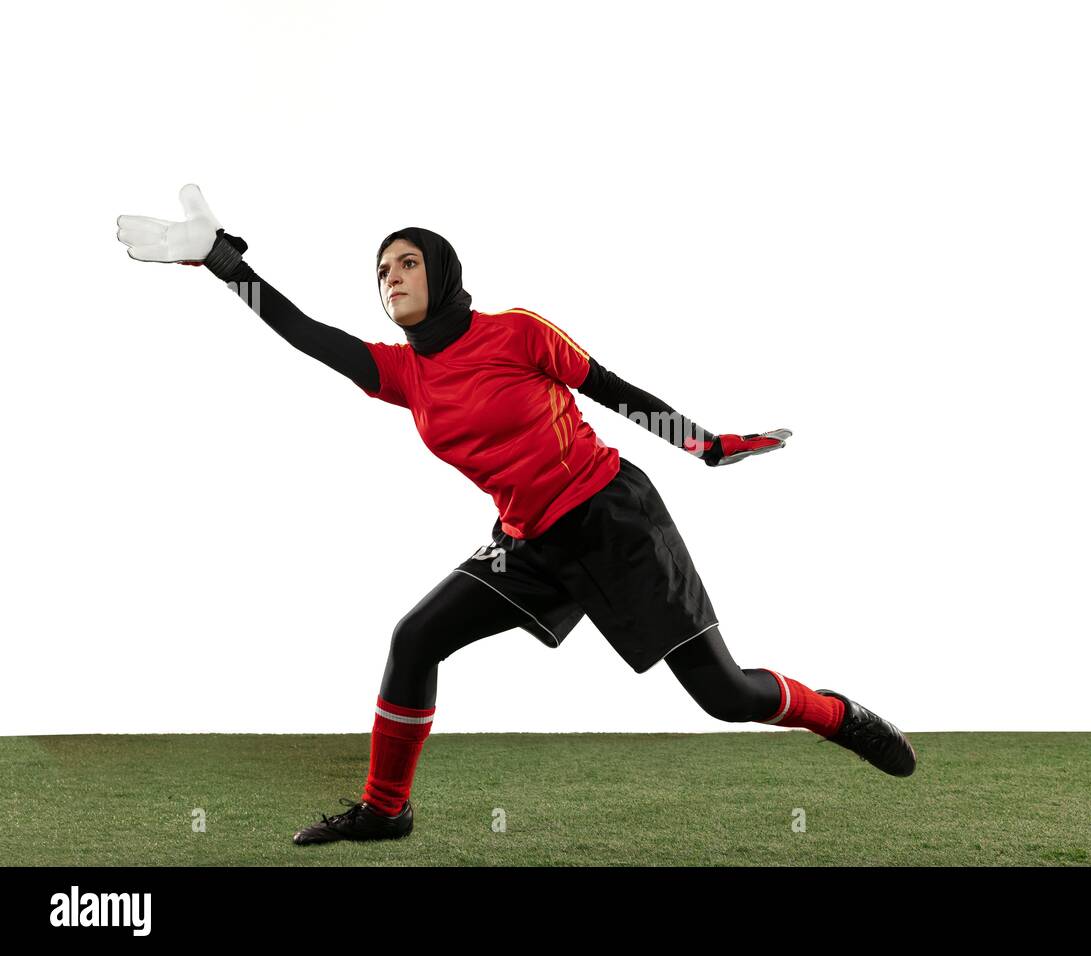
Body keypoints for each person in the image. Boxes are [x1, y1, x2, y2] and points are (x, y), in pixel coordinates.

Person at [116, 185, 917, 846]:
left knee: (725, 694)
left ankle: (840, 717)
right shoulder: (403, 375)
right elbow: (303, 333)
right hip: (527, 545)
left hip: (614, 522)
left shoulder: (516, 333)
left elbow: (613, 390)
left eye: (406, 263)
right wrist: (220, 262)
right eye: (380, 270)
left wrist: (706, 446)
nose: (391, 278)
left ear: (443, 271)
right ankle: (386, 811)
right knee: (415, 637)